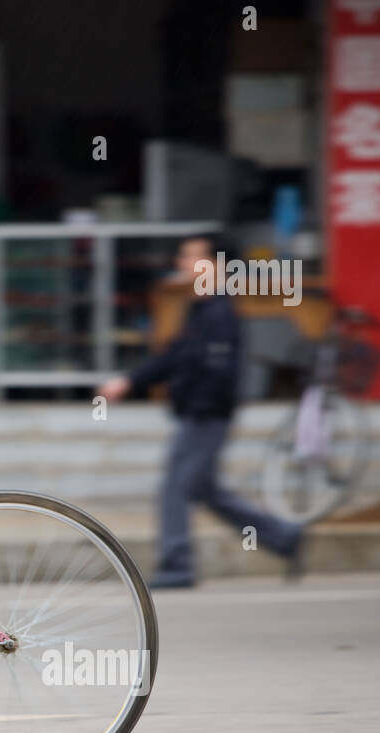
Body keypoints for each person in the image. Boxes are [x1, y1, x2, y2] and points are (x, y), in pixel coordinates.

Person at [96, 234, 306, 589]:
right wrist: (132, 381)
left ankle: (177, 566)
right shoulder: (202, 309)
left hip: (207, 416)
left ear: (217, 265)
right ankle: (283, 536)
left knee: (177, 487)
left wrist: (197, 407)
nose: (183, 264)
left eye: (192, 257)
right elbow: (174, 356)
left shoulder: (219, 313)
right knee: (206, 489)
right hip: (200, 414)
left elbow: (217, 372)